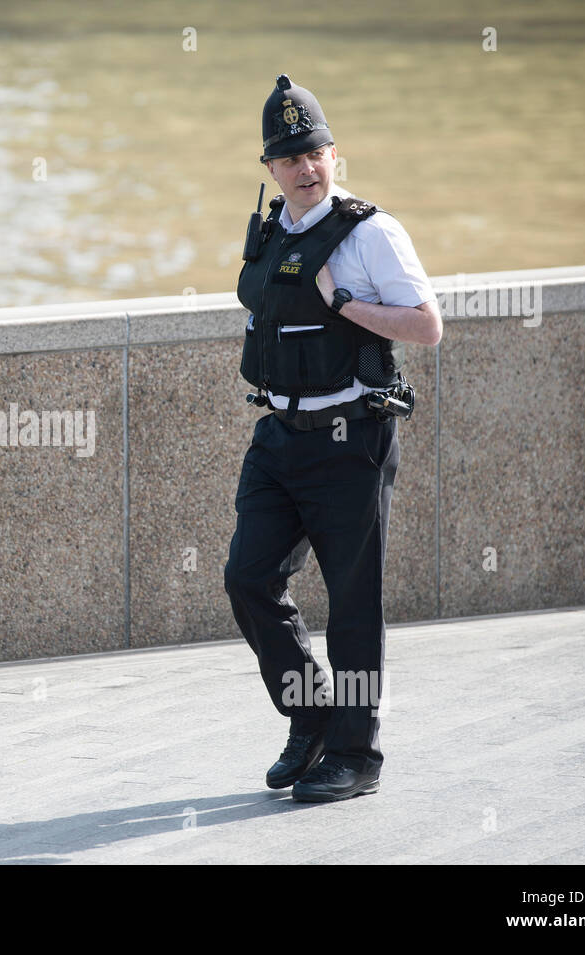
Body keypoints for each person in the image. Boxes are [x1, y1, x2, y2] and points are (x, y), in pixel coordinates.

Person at [224, 74, 442, 802]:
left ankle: (355, 754)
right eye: (290, 159)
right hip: (280, 434)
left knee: (353, 601)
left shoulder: (371, 231)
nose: (306, 168)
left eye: (315, 152)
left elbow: (426, 326)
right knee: (248, 577)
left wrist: (346, 303)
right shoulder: (271, 232)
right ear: (271, 170)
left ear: (334, 153)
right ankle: (310, 711)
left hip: (353, 437)